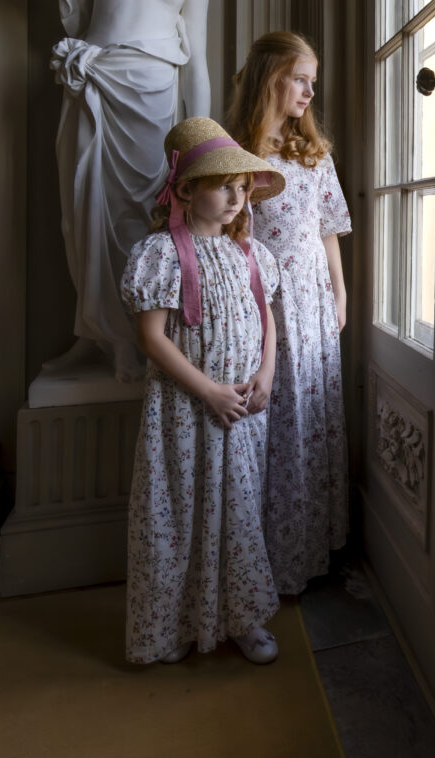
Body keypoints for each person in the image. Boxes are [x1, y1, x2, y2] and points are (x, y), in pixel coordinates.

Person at [21, 0, 210, 381]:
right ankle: (95, 334)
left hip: (152, 98)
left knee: (140, 221)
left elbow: (198, 66)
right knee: (81, 213)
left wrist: (199, 150)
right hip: (94, 85)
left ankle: (136, 334)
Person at [119, 116, 284, 665]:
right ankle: (173, 628)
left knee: (238, 513)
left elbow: (267, 322)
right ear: (186, 190)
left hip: (241, 413)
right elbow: (151, 338)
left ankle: (243, 617)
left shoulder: (254, 255)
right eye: (223, 185)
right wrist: (208, 392)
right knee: (181, 516)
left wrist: (266, 373)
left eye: (243, 185)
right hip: (186, 413)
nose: (237, 196)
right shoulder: (161, 254)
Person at [224, 31, 352, 595]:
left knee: (308, 420)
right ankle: (262, 562)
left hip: (313, 303)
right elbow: (221, 235)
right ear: (271, 76)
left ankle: (308, 551)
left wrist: (340, 293)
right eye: (300, 78)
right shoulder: (233, 152)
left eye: (313, 82)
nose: (308, 91)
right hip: (259, 304)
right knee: (265, 425)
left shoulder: (312, 153)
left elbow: (327, 231)